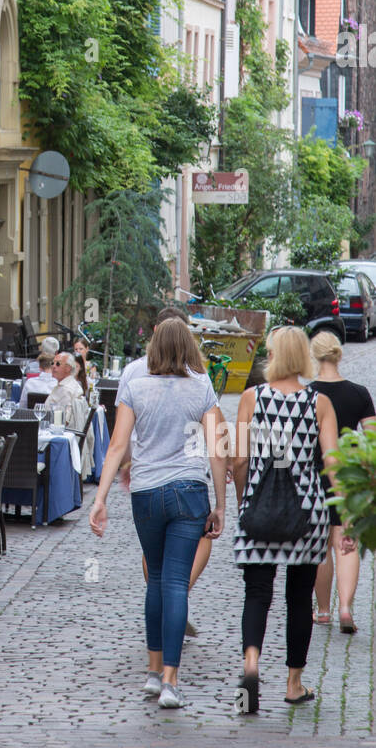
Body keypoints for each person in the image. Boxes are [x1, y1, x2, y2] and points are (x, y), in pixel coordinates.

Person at [89, 318, 228, 710]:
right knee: (175, 583)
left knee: (156, 580)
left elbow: (117, 446)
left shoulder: (135, 385)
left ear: (153, 346)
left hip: (146, 493)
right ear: (189, 347)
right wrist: (220, 504)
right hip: (188, 491)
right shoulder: (202, 386)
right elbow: (217, 450)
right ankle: (170, 680)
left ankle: (152, 674)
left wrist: (99, 500)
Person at [233, 326, 338, 712]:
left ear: (273, 354)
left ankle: (251, 663)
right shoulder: (319, 403)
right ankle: (294, 683)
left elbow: (240, 459)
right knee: (299, 597)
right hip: (307, 511)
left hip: (259, 504)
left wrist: (245, 499)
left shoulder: (251, 398)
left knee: (257, 592)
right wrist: (342, 515)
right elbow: (332, 464)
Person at [120, 304, 216, 635]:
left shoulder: (132, 373)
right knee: (196, 546)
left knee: (155, 558)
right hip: (189, 476)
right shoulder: (200, 379)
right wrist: (224, 480)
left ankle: (165, 611)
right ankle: (176, 598)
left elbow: (122, 431)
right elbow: (216, 436)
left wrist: (125, 462)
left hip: (145, 474)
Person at [308, 330, 373, 633]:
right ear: (339, 354)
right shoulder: (359, 393)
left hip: (313, 476)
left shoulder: (307, 394)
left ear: (314, 355)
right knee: (347, 541)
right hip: (347, 476)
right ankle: (346, 607)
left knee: (320, 547)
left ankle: (323, 611)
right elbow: (372, 436)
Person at [46, 353, 87, 428]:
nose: (53, 366)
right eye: (52, 363)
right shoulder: (71, 384)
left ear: (68, 368)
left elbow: (64, 421)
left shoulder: (66, 389)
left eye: (58, 364)